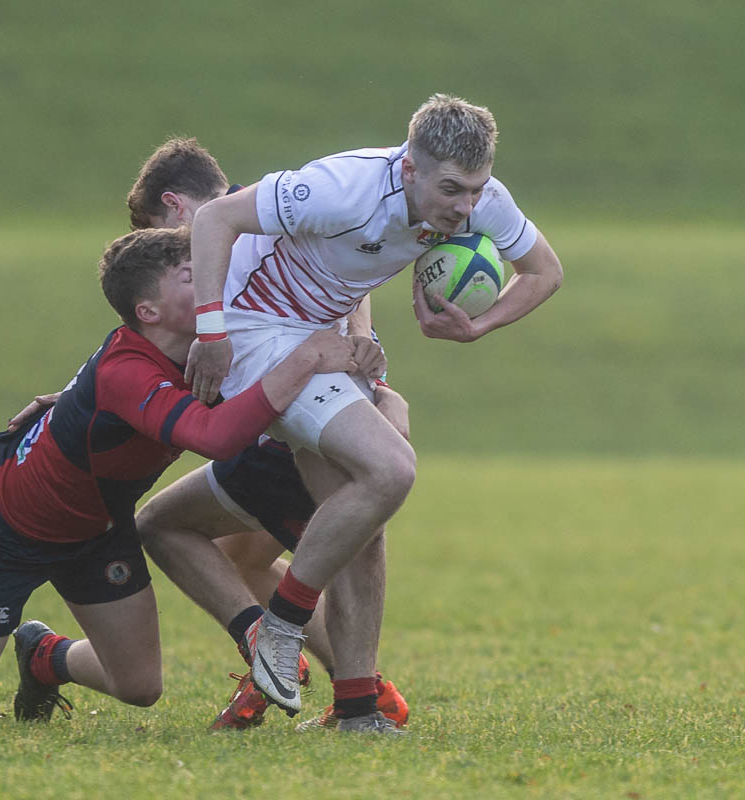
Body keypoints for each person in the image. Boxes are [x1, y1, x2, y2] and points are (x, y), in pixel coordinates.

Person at [0, 226, 372, 723]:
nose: (211, 278)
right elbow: (215, 438)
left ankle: (43, 656)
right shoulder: (128, 370)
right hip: (9, 530)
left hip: (96, 531)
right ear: (149, 311)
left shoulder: (207, 345)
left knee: (139, 686)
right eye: (190, 274)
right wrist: (306, 360)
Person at [185, 93, 563, 732]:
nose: (465, 207)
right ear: (410, 169)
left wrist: (478, 328)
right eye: (451, 189)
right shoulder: (342, 187)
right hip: (260, 334)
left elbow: (544, 271)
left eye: (475, 189)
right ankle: (281, 623)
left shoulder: (478, 198)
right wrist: (212, 333)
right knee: (391, 468)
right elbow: (214, 220)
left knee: (364, 509)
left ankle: (359, 706)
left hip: (325, 336)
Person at [9, 138, 411, 732]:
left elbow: (335, 301)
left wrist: (365, 362)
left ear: (175, 207)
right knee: (248, 558)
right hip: (282, 433)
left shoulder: (242, 235)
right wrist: (77, 396)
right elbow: (157, 349)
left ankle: (339, 687)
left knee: (317, 539)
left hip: (297, 432)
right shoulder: (270, 226)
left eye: (158, 233)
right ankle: (333, 682)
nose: (170, 255)